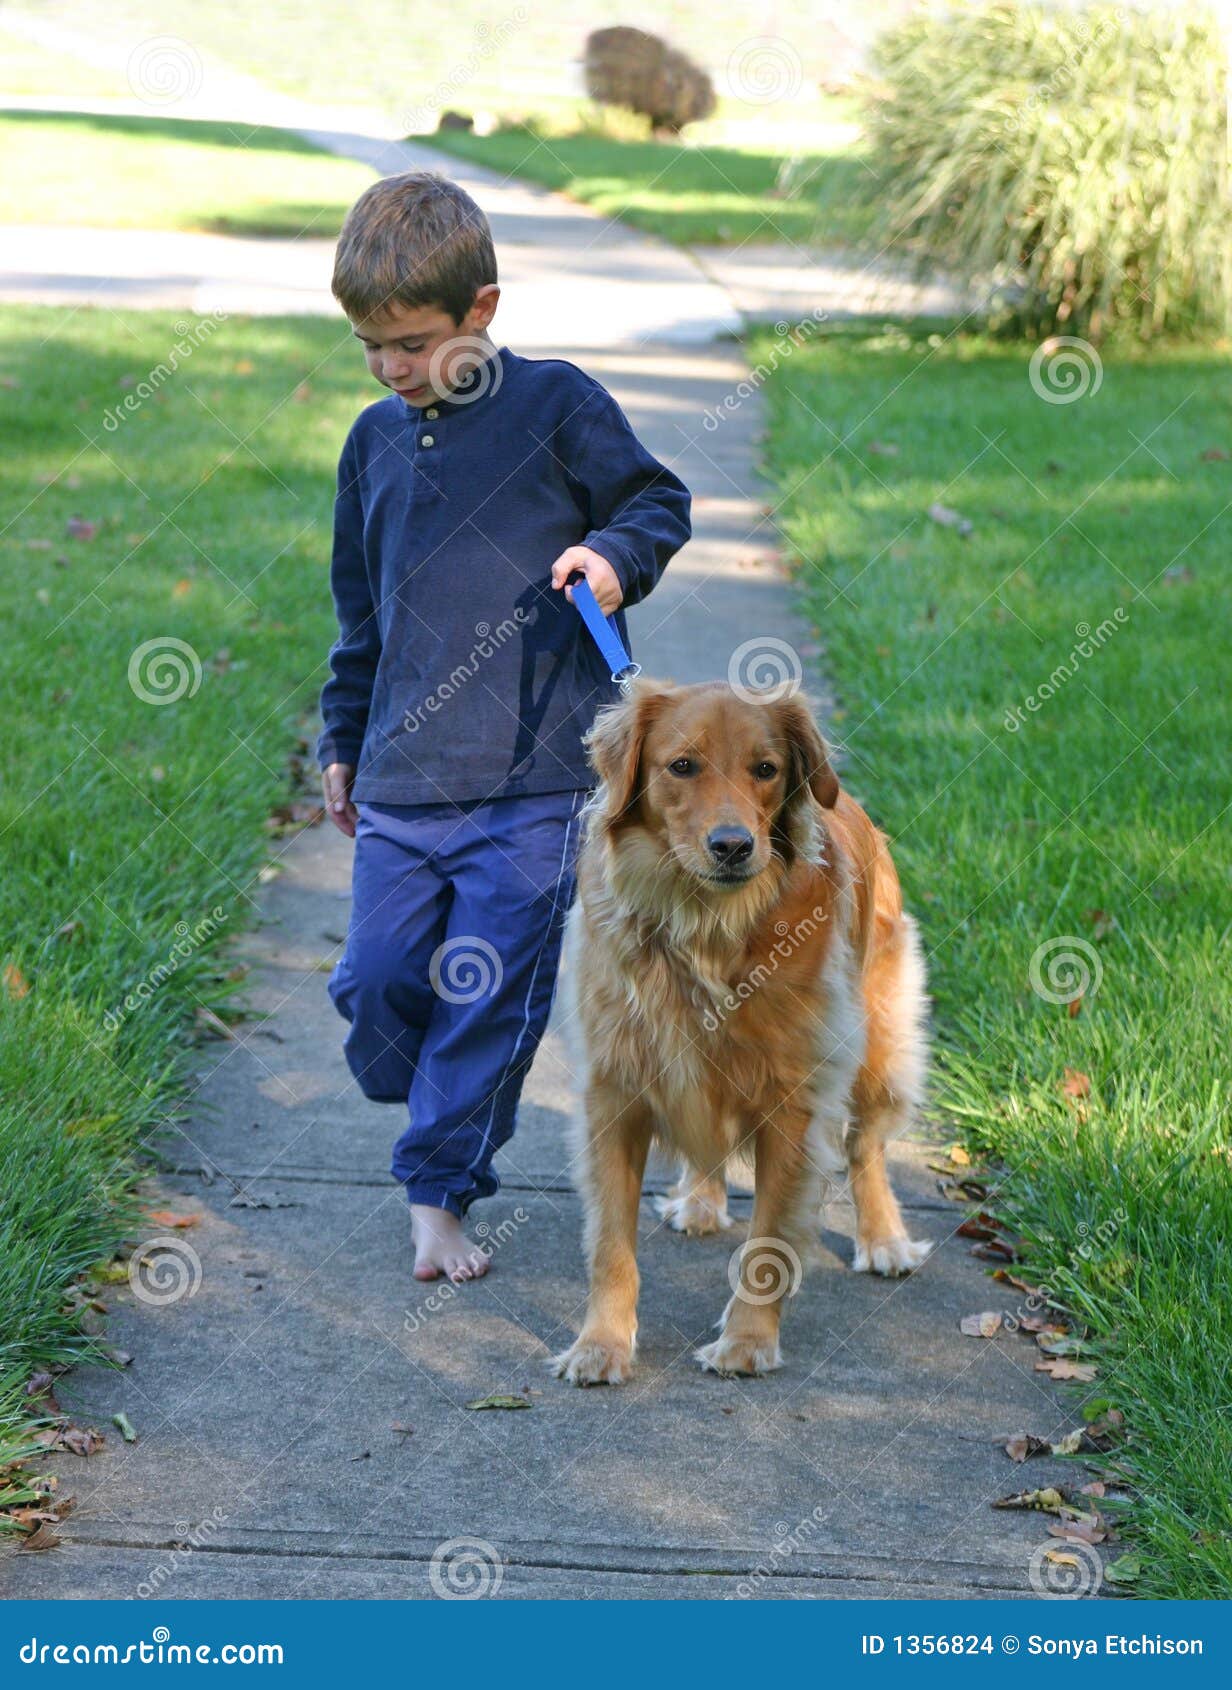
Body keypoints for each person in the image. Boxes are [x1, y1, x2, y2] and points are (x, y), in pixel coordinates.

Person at [317, 170, 691, 1283]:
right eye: (370, 347)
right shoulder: (372, 445)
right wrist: (341, 740)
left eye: (412, 343)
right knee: (377, 980)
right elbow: (359, 617)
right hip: (401, 774)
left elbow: (657, 502)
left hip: (536, 779)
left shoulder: (557, 406)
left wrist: (611, 560)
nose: (391, 368)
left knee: (485, 994)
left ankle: (439, 1190)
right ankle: (426, 1084)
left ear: (480, 309)